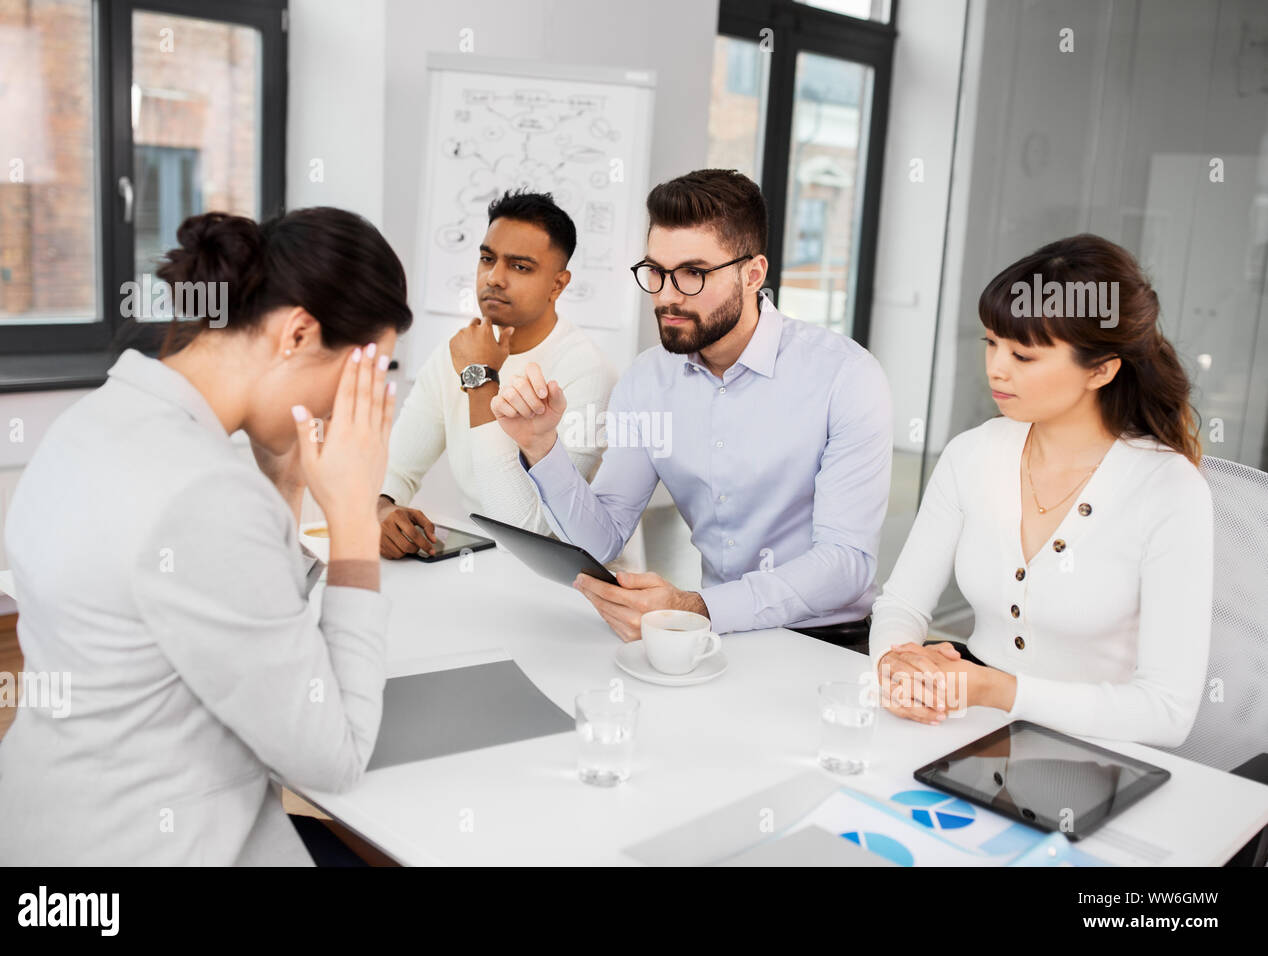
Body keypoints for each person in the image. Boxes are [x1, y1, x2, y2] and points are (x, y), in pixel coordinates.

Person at [0, 207, 409, 865]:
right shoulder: (204, 492)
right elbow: (332, 757)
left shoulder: (97, 418)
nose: (345, 409)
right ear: (297, 333)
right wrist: (351, 523)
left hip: (35, 819)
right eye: (362, 377)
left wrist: (283, 483)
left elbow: (242, 623)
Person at [491, 169, 893, 646]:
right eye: (656, 271)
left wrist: (698, 607)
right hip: (716, 635)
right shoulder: (647, 381)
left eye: (693, 274)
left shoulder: (845, 376)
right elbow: (603, 538)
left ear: (753, 274)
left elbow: (846, 563)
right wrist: (541, 446)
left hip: (825, 639)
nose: (666, 296)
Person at [870, 233, 1212, 748]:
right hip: (969, 732)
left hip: (1098, 755)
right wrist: (895, 663)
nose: (996, 367)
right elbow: (901, 604)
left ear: (1101, 369)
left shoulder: (1169, 489)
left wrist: (997, 690)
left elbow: (1167, 713)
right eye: (991, 343)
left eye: (1023, 356)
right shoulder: (973, 453)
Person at [376, 190, 617, 557]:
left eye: (520, 267)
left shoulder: (587, 371)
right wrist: (382, 509)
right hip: (481, 561)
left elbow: (527, 531)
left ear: (558, 284)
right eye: (487, 259)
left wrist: (480, 379)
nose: (494, 278)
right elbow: (397, 469)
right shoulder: (454, 353)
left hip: (565, 574)